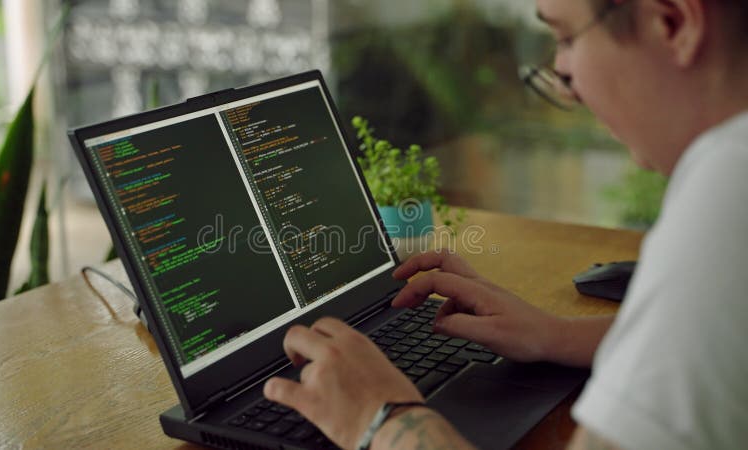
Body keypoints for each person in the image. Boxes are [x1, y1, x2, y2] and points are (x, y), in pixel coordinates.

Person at [262, 0, 748, 448]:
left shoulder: (729, 192)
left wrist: (381, 418)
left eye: (567, 38)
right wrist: (553, 335)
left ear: (674, 23)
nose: (561, 72)